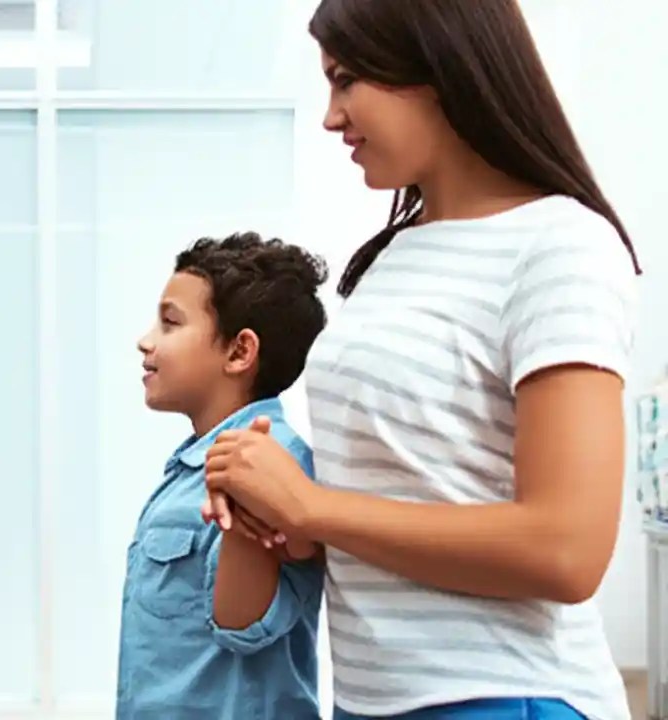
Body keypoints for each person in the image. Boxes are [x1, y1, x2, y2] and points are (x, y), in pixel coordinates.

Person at [202, 1, 640, 719]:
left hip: (504, 695)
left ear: (435, 69)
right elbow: (402, 493)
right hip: (375, 698)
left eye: (345, 81)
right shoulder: (391, 258)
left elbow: (567, 550)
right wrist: (267, 496)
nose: (331, 116)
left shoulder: (561, 245)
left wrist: (315, 506)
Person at [117, 232, 329, 718]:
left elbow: (242, 626)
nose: (145, 340)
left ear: (239, 353)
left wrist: (244, 507)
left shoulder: (273, 462)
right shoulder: (191, 468)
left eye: (170, 323)